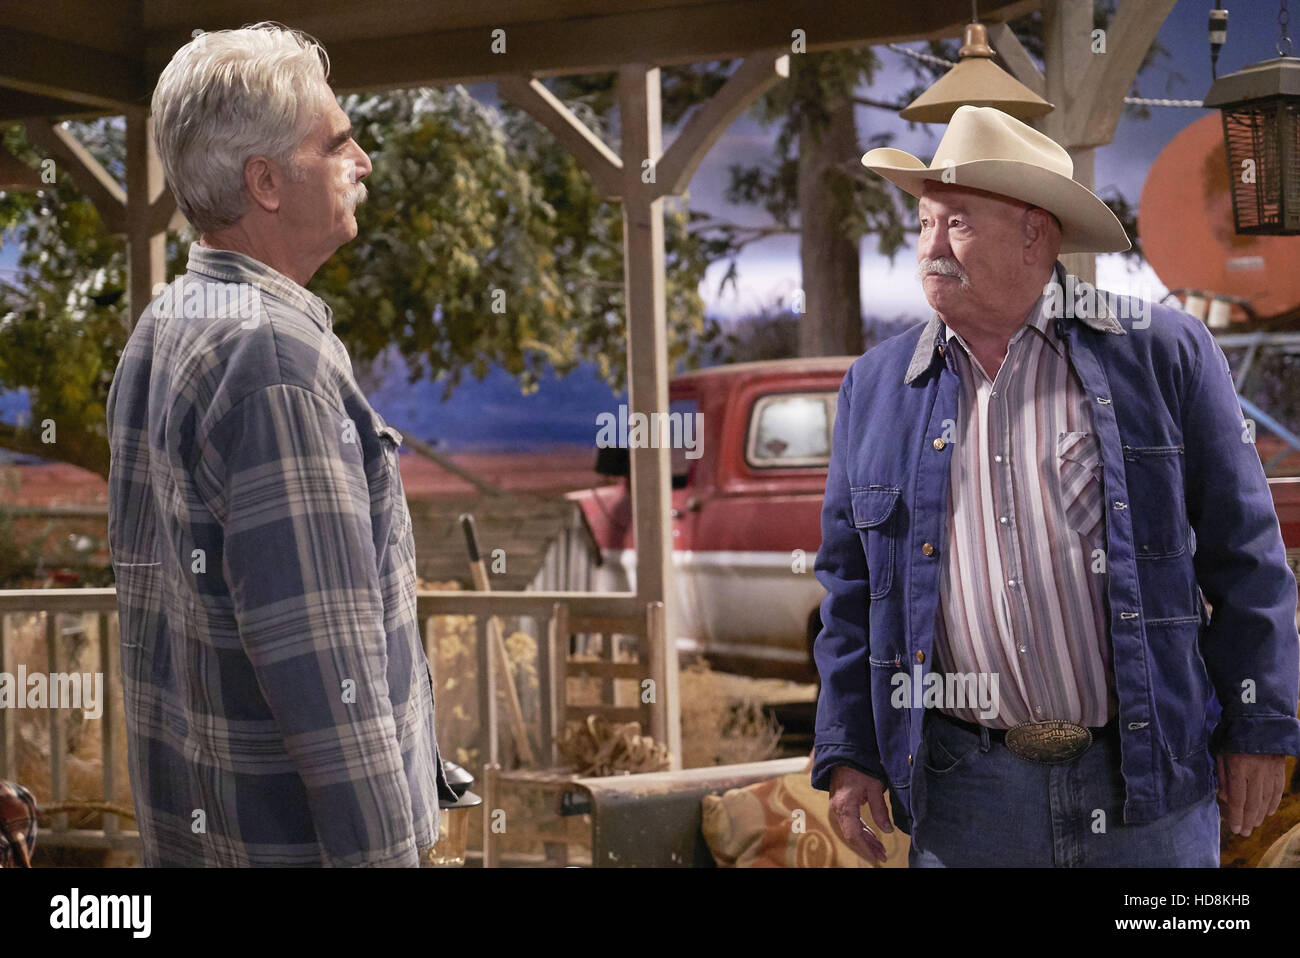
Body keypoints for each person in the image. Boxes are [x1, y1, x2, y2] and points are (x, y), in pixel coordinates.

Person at [811, 105, 1300, 867]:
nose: (931, 249)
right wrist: (850, 751)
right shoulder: (876, 389)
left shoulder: (1162, 354)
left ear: (1035, 232)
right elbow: (848, 590)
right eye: (925, 223)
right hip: (967, 796)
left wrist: (1261, 727)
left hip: (1145, 789)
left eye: (959, 224)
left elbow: (1247, 557)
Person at [106, 22, 456, 866]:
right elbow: (326, 687)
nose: (363, 161)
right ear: (265, 182)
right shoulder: (273, 361)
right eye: (336, 143)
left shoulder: (164, 328)